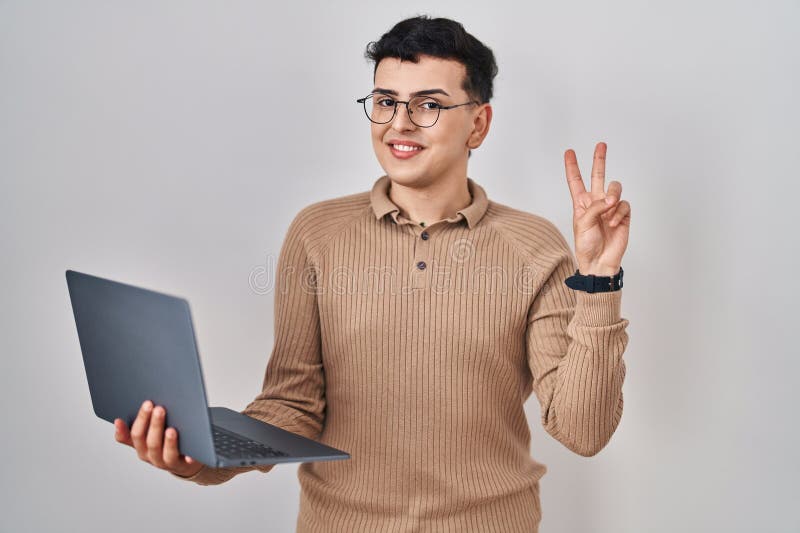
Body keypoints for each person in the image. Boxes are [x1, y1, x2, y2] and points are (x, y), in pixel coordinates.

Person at [113, 15, 631, 532]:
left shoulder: (533, 246)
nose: (398, 124)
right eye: (385, 102)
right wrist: (206, 457)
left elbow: (583, 431)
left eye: (428, 104)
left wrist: (600, 280)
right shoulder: (317, 232)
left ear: (478, 123)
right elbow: (292, 403)